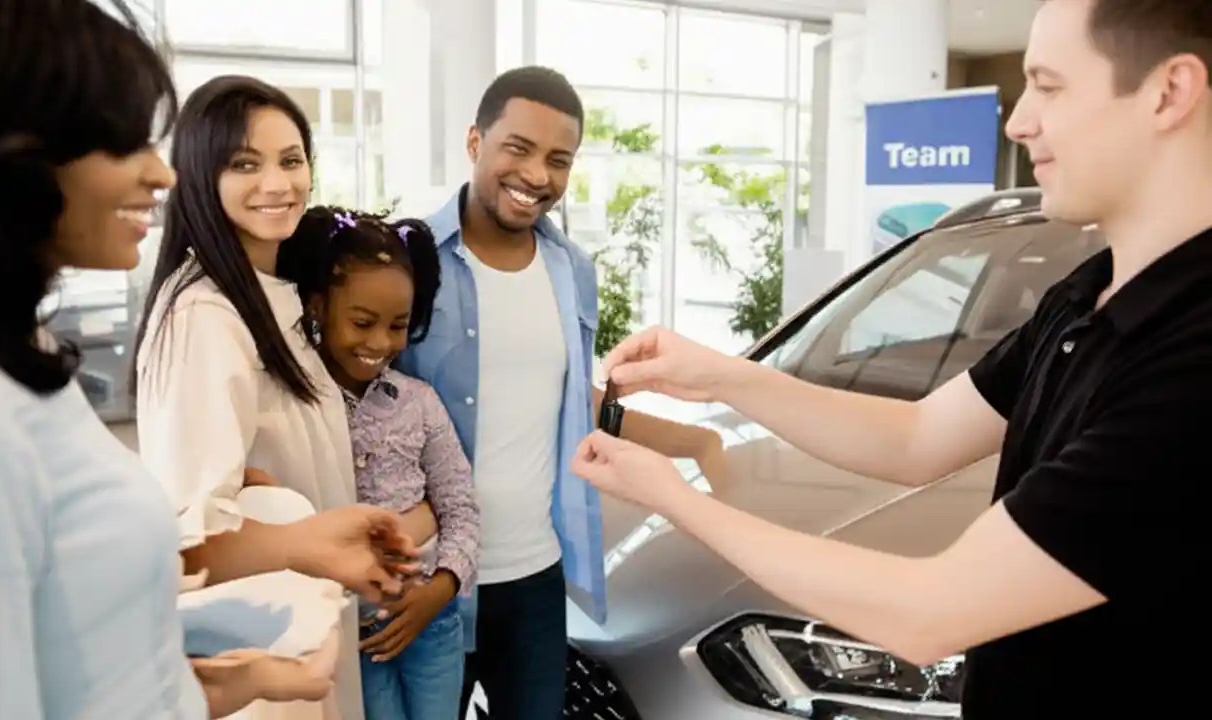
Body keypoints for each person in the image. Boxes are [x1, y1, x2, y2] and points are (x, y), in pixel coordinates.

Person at [573, 1, 1212, 718]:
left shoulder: (1193, 359)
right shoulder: (1082, 298)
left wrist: (675, 499)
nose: (1018, 120)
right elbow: (915, 438)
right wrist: (724, 374)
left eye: (1050, 85)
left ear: (1170, 92)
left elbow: (935, 609)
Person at [0, 2, 416, 719]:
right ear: (5, 154)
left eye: (291, 159)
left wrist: (254, 658)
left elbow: (94, 641)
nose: (161, 173)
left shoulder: (22, 368)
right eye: (121, 142)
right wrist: (291, 538)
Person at [396, 65, 728, 720]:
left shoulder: (571, 269)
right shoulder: (411, 260)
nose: (537, 177)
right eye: (517, 149)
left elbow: (574, 398)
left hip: (534, 577)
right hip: (429, 578)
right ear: (475, 143)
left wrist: (698, 441)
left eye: (558, 160)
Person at [133, 76, 433, 720]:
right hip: (261, 654)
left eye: (291, 160)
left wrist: (289, 503)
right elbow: (186, 538)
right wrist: (296, 528)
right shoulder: (206, 316)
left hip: (307, 621)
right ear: (196, 175)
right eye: (245, 163)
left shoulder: (271, 293)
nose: (278, 183)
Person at [278, 205, 481, 719]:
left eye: (398, 326)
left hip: (433, 622)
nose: (380, 343)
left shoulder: (420, 402)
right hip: (351, 626)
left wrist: (441, 589)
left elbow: (461, 507)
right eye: (363, 322)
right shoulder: (298, 407)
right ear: (319, 306)